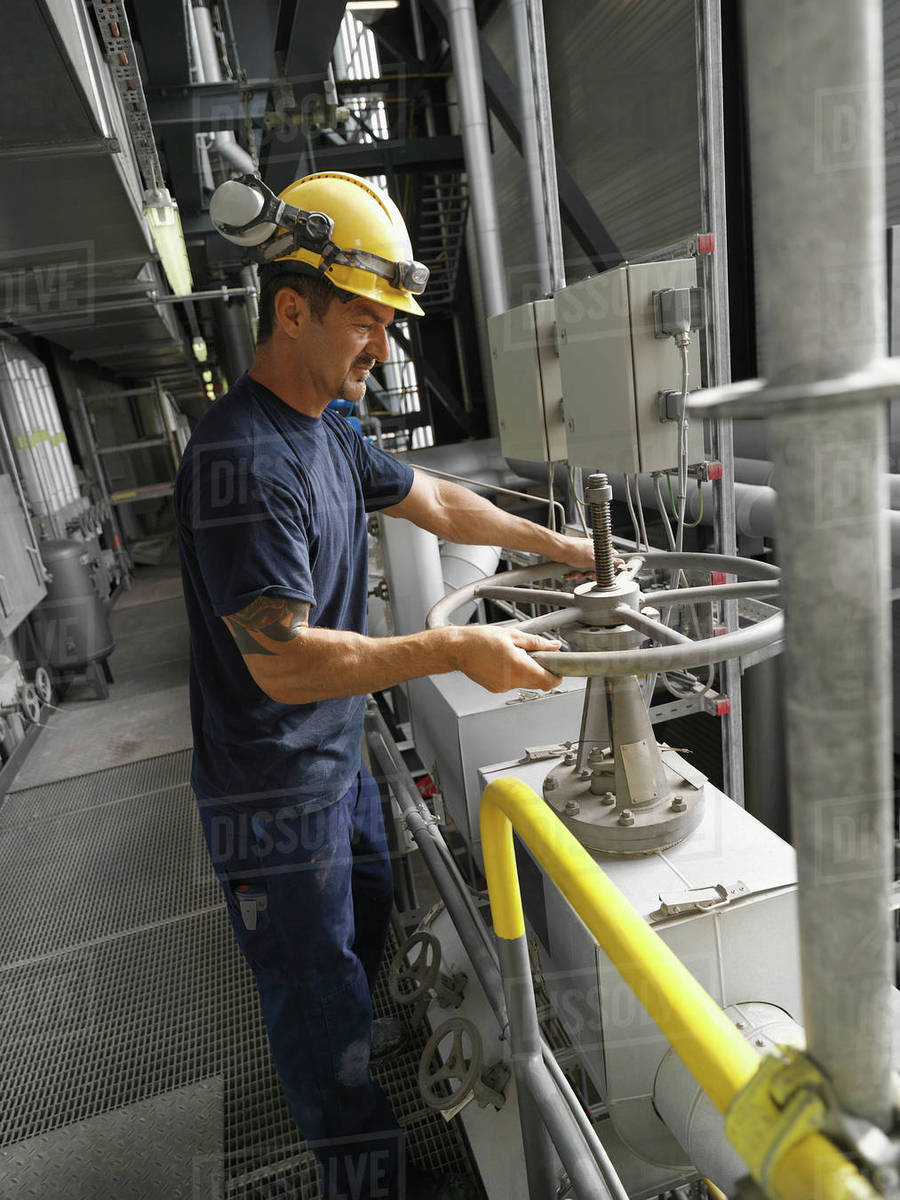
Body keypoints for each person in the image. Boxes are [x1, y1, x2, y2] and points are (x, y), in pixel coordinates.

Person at [174, 171, 595, 1200]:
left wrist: (557, 545)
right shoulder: (245, 465)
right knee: (323, 1029)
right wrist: (450, 652)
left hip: (339, 768)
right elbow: (281, 659)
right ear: (292, 309)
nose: (386, 346)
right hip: (275, 804)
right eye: (368, 321)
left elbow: (438, 500)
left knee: (356, 969)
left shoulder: (325, 426)